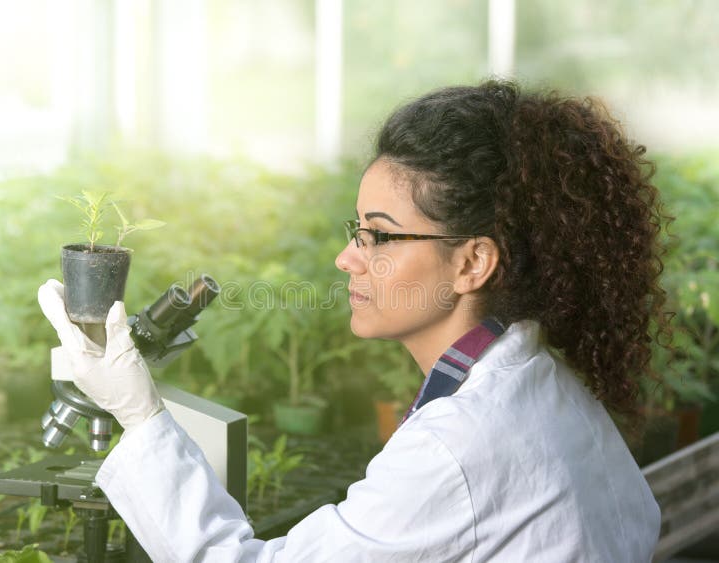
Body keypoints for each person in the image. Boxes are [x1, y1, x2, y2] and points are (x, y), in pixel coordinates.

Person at [38, 80, 671, 562]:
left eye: (381, 238)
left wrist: (140, 416)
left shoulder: (459, 449)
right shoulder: (543, 380)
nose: (348, 259)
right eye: (356, 231)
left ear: (473, 262)